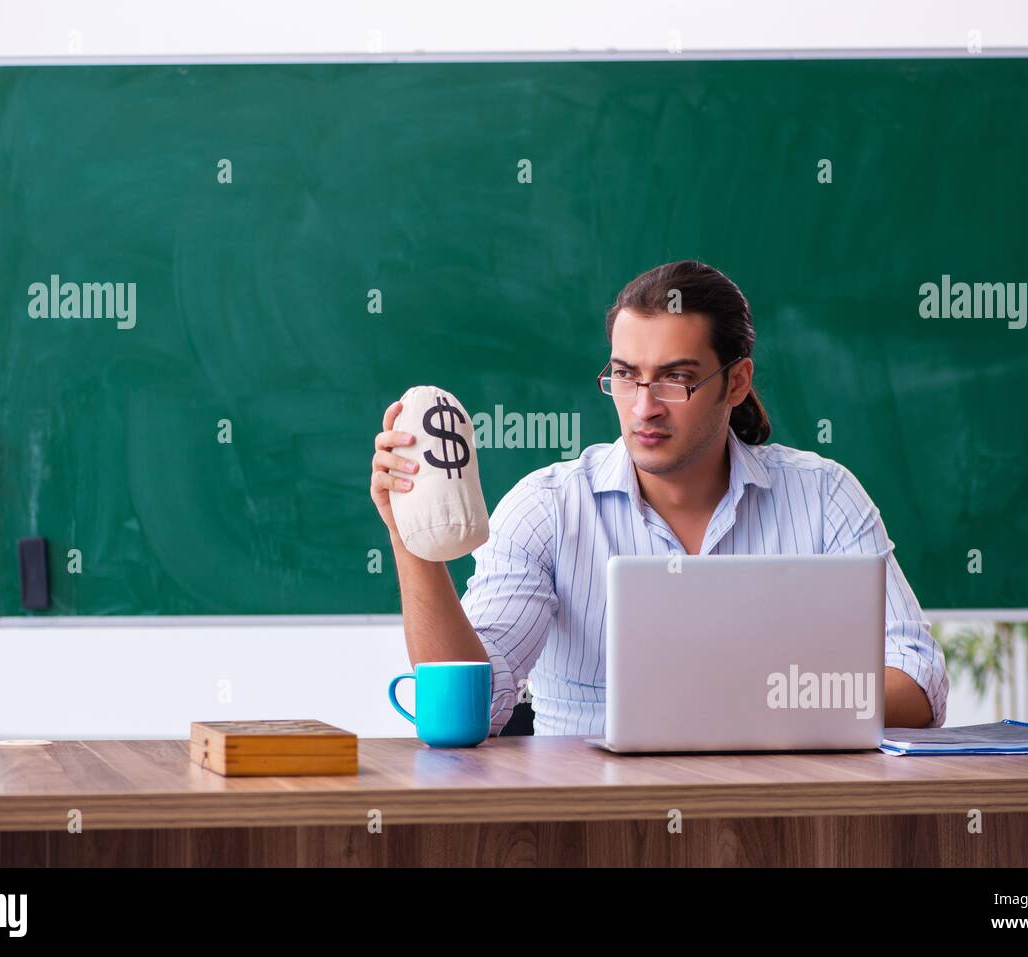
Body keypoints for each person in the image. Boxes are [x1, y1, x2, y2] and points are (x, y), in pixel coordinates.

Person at [370, 260, 948, 736]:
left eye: (675, 379)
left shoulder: (824, 497)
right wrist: (409, 539)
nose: (644, 406)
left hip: (777, 811)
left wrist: (756, 699)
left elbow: (918, 685)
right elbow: (473, 712)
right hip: (596, 823)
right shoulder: (547, 508)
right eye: (625, 375)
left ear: (737, 382)